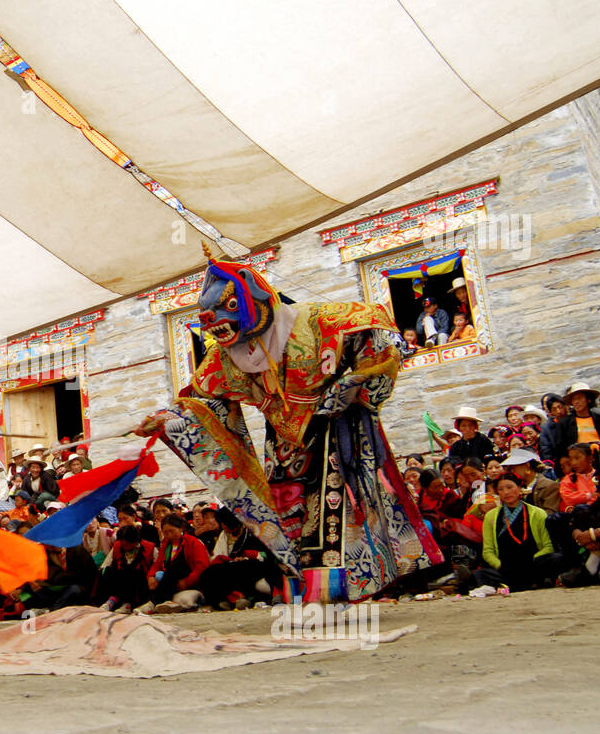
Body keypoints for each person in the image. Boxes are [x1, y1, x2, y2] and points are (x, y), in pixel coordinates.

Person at [136, 246, 437, 602]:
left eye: (228, 309)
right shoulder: (225, 354)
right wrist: (168, 419)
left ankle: (331, 596)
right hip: (280, 445)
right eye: (208, 316)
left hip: (329, 431)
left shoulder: (318, 320)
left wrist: (350, 386)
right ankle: (307, 595)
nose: (216, 323)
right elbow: (203, 400)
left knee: (332, 514)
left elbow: (382, 335)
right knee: (290, 522)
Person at [476, 474, 557, 593]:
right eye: (501, 489)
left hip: (532, 564)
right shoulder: (491, 516)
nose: (506, 492)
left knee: (555, 559)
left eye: (509, 487)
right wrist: (500, 565)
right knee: (481, 573)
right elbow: (488, 551)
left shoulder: (538, 513)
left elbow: (548, 546)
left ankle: (532, 581)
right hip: (505, 567)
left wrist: (530, 561)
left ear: (520, 488)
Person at [199, 508, 282, 609]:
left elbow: (265, 554)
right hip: (234, 565)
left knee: (242, 569)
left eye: (224, 523)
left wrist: (246, 557)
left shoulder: (252, 531)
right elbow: (218, 555)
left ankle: (243, 598)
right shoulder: (224, 534)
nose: (223, 526)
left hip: (256, 565)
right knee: (210, 573)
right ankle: (224, 600)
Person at [139, 513, 210, 612]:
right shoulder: (166, 545)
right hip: (169, 581)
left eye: (172, 531)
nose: (169, 535)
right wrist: (150, 577)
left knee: (175, 567)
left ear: (181, 528)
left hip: (187, 579)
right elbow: (157, 564)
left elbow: (202, 566)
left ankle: (154, 602)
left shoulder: (193, 542)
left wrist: (186, 582)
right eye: (166, 533)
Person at [97, 525, 155, 612]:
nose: (124, 546)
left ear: (135, 541)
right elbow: (105, 564)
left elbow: (156, 566)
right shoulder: (117, 546)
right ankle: (112, 601)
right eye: (122, 543)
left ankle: (128, 604)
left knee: (133, 573)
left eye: (127, 543)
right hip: (121, 581)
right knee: (109, 571)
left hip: (140, 582)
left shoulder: (149, 548)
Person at [554, 382, 600, 459]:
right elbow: (561, 447)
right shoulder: (564, 423)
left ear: (588, 400)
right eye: (574, 399)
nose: (576, 402)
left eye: (579, 398)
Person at [501, 448, 562, 515]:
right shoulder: (516, 487)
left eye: (514, 467)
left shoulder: (549, 486)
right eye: (510, 468)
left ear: (527, 465)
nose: (512, 471)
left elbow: (549, 516)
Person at [559, 443, 600, 512]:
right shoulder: (569, 479)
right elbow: (568, 498)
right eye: (571, 459)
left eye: (577, 458)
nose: (574, 463)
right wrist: (589, 495)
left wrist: (580, 498)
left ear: (590, 458)